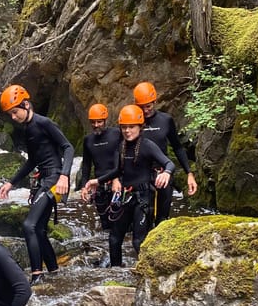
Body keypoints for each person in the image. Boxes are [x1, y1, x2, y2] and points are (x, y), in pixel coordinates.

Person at [0, 85, 74, 286]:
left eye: (15, 112)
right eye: (10, 114)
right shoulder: (28, 129)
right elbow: (31, 161)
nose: (13, 117)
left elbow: (68, 147)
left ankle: (37, 276)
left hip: (55, 180)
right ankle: (54, 271)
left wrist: (65, 176)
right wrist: (11, 183)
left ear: (26, 104)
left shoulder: (44, 123)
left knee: (28, 225)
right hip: (45, 180)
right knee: (38, 229)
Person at [85, 104, 174, 267]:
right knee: (114, 238)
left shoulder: (147, 145)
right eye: (124, 127)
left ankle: (149, 274)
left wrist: (166, 173)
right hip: (127, 197)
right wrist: (96, 181)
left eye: (131, 127)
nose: (127, 131)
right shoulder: (122, 146)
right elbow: (118, 170)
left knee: (138, 241)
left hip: (143, 199)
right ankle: (116, 274)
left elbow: (169, 163)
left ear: (140, 127)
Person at [133, 81, 197, 225]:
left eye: (148, 106)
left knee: (162, 219)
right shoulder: (133, 123)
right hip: (141, 176)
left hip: (163, 173)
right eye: (141, 107)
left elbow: (177, 147)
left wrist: (189, 173)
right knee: (142, 220)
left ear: (155, 102)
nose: (145, 110)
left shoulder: (165, 120)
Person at [77, 103, 122, 229]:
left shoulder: (116, 134)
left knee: (119, 220)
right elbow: (86, 164)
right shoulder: (88, 140)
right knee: (105, 223)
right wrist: (84, 187)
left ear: (105, 120)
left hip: (116, 183)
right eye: (93, 122)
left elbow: (121, 159)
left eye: (99, 122)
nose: (96, 125)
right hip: (99, 186)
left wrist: (116, 179)